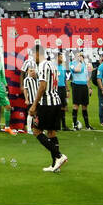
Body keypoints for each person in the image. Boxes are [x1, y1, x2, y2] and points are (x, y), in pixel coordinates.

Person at [29, 43, 67, 173]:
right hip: (56, 101)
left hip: (47, 103)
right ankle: (55, 165)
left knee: (36, 130)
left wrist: (34, 105)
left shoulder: (43, 65)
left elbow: (43, 86)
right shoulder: (52, 65)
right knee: (51, 133)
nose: (33, 57)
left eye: (33, 54)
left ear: (37, 53)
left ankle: (59, 155)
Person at [69, 51, 93, 130]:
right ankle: (75, 125)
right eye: (79, 55)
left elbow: (87, 78)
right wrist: (79, 62)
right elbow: (77, 70)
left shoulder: (84, 64)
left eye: (82, 55)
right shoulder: (72, 64)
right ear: (75, 56)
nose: (81, 56)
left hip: (84, 87)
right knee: (76, 105)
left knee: (85, 106)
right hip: (76, 85)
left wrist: (89, 88)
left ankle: (87, 125)